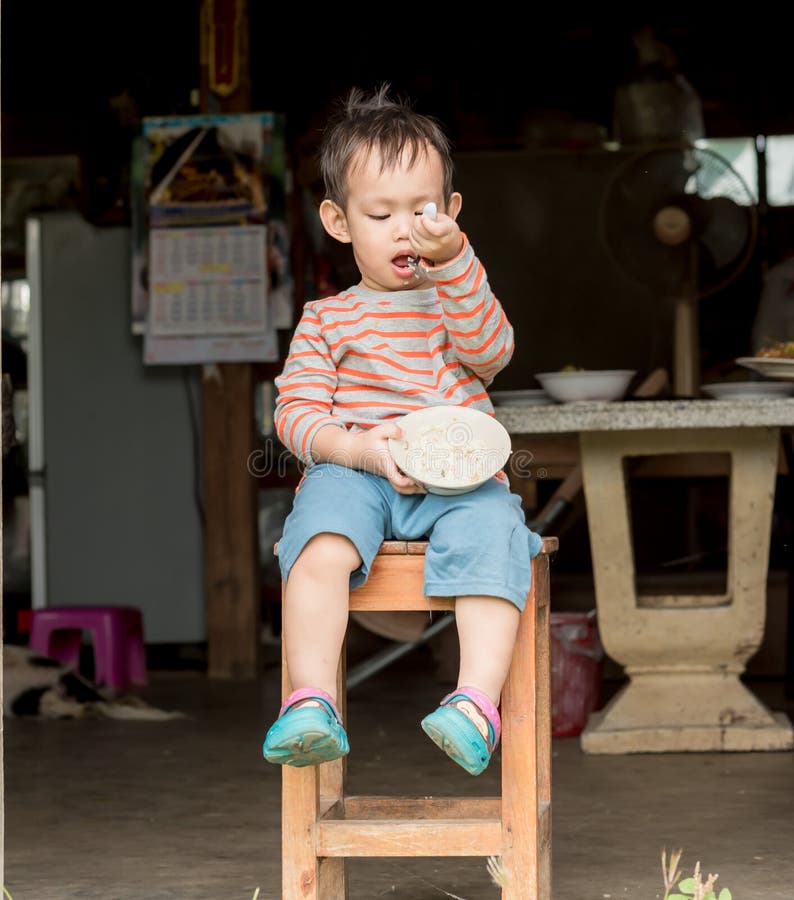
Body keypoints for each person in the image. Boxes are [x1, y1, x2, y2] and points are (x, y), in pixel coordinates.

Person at [262, 85, 541, 777]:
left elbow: (493, 352)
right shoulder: (327, 320)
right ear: (338, 220)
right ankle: (311, 702)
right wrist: (357, 448)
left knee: (496, 533)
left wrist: (456, 264)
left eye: (421, 211)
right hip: (357, 472)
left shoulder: (459, 295)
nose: (402, 229)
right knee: (318, 543)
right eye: (379, 213)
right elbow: (295, 416)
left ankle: (475, 702)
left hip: (461, 478)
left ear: (449, 213)